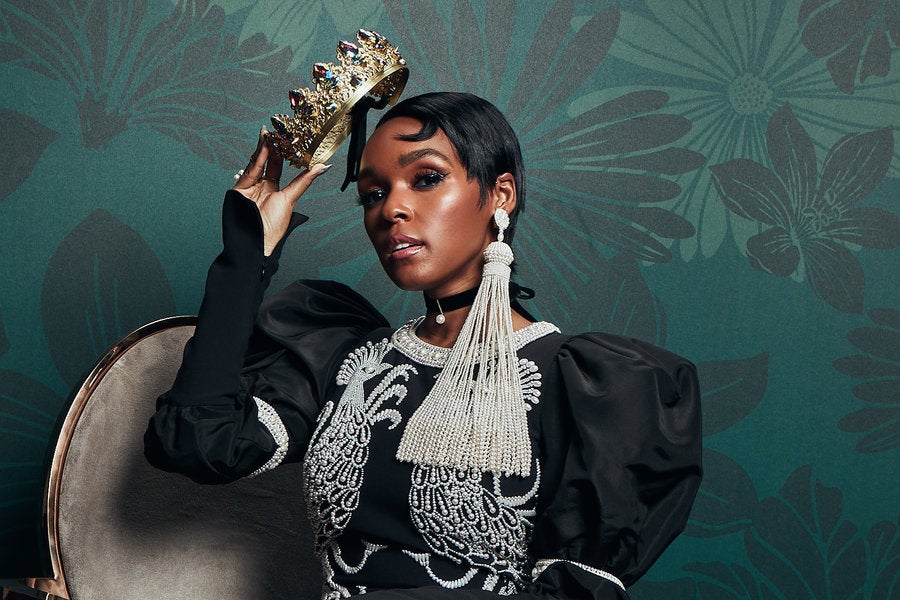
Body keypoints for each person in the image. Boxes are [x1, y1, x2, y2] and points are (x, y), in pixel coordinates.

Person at [144, 92, 702, 599]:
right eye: (373, 194)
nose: (392, 209)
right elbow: (197, 442)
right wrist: (246, 258)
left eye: (427, 178)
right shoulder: (346, 358)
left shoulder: (585, 385)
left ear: (500, 194)